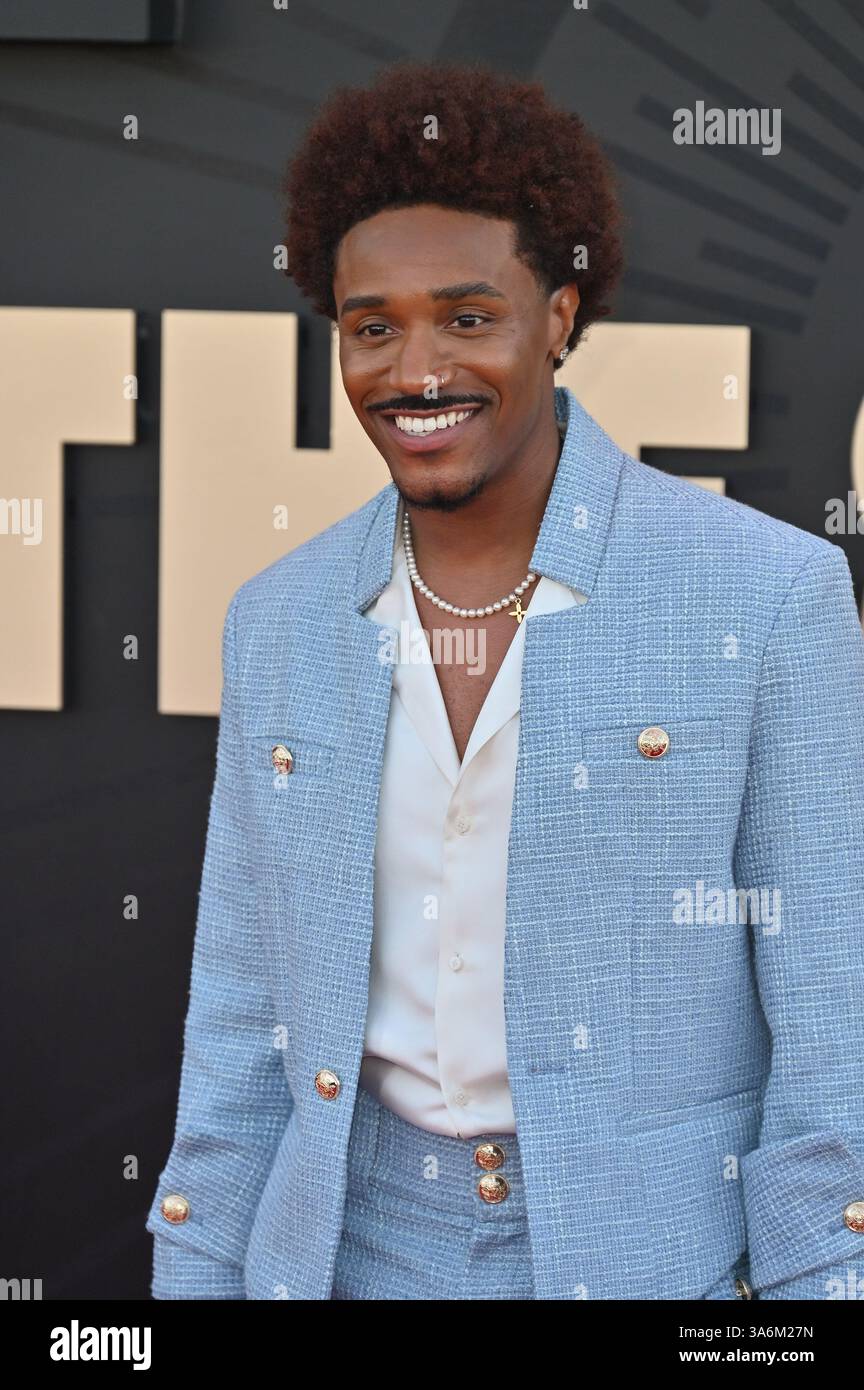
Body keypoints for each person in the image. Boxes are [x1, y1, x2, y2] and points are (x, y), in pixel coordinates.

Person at [146, 61, 864, 1300]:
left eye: (468, 316)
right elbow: (239, 1024)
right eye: (373, 326)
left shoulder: (770, 598)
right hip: (337, 1250)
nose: (415, 369)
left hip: (652, 1258)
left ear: (562, 315)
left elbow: (832, 1037)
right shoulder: (279, 623)